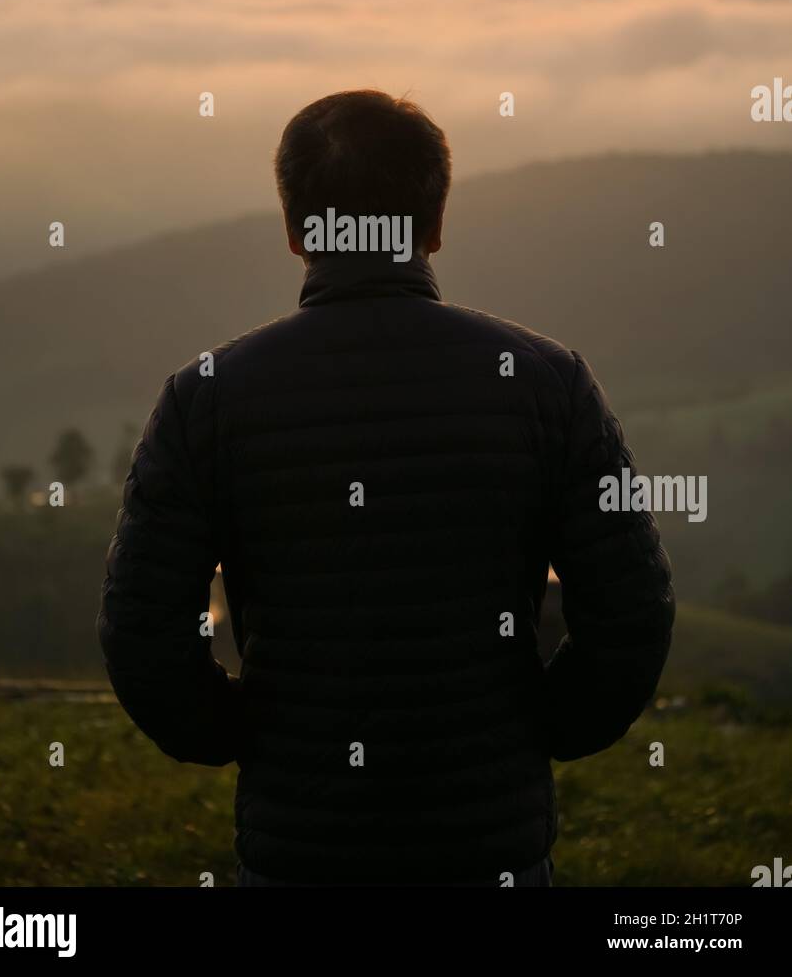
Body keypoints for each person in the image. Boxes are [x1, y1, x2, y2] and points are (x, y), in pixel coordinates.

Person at [97, 89, 675, 887]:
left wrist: (242, 731)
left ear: (296, 233)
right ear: (433, 226)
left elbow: (141, 630)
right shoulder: (546, 384)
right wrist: (534, 728)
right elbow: (632, 611)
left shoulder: (208, 398)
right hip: (491, 851)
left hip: (299, 851)